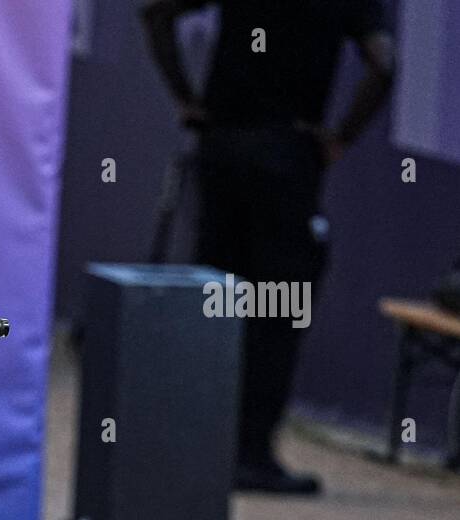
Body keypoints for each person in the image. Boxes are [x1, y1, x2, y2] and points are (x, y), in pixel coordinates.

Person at [141, 0, 395, 494]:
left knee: (216, 299)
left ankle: (197, 444)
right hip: (287, 156)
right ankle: (251, 453)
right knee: (279, 308)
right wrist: (339, 138)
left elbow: (156, 14)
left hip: (222, 148)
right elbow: (384, 65)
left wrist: (187, 100)